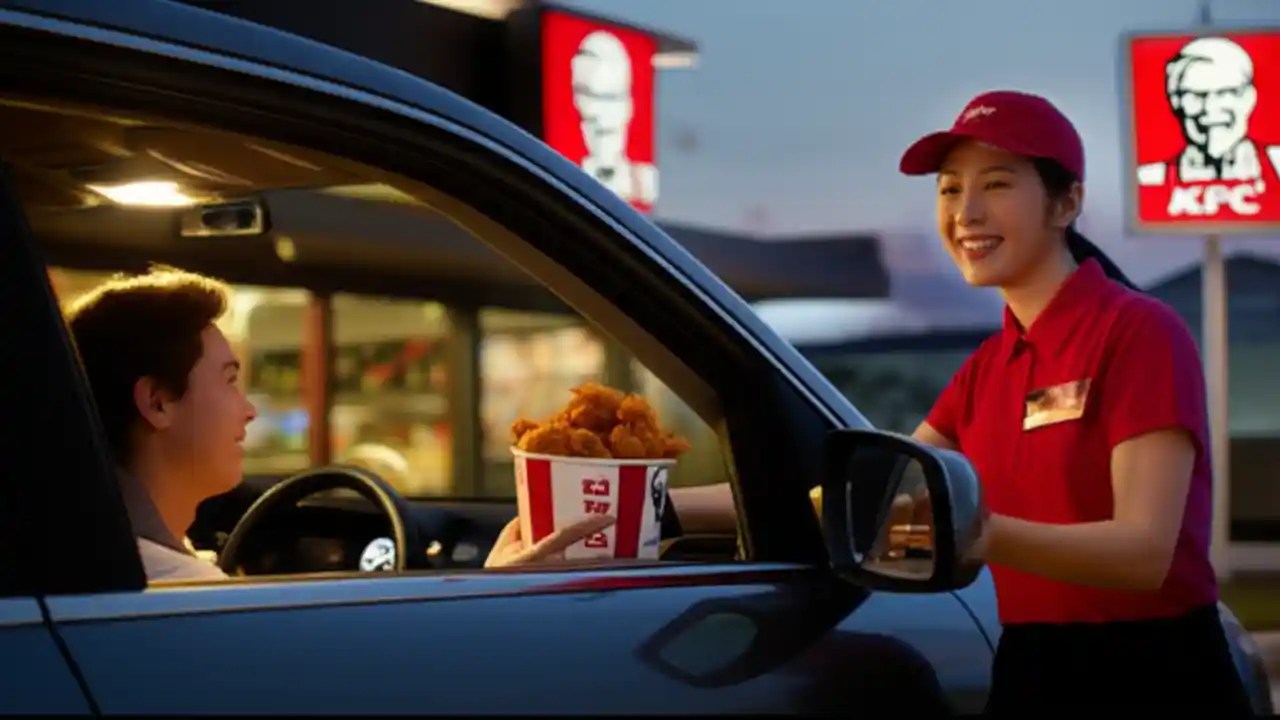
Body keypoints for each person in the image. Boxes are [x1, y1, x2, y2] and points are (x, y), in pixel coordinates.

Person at [657, 90, 1254, 713]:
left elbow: (1143, 553)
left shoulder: (1138, 333)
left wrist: (976, 533)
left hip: (1156, 675)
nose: (966, 212)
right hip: (1031, 667)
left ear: (1066, 202)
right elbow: (862, 497)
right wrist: (657, 510)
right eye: (948, 189)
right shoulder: (986, 370)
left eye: (996, 185)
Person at [65, 266, 604, 582]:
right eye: (229, 380)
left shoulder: (106, 563)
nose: (249, 409)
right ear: (157, 402)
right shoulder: (181, 595)